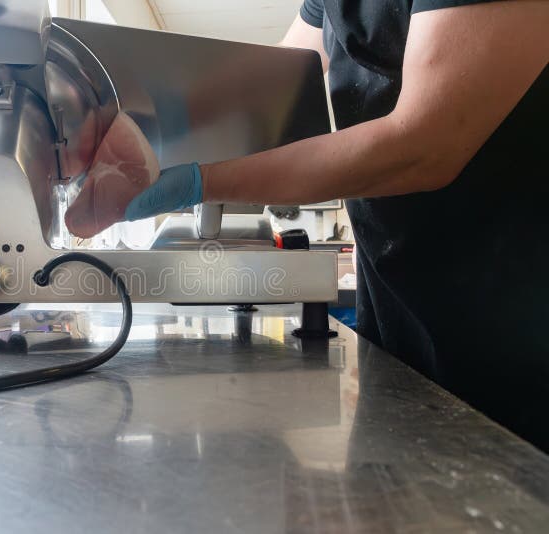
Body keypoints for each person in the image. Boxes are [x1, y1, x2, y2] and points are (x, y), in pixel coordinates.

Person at [124, 1, 549, 451]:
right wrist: (145, 118)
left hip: (515, 315)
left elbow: (423, 145)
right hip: (398, 298)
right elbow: (274, 81)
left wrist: (202, 181)